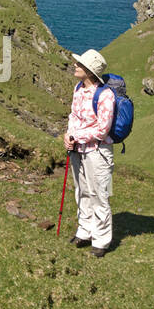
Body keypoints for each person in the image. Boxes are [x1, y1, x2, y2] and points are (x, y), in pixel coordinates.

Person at [64, 48, 114, 257]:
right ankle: (84, 231)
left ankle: (101, 240)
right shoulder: (78, 88)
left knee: (99, 194)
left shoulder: (105, 95)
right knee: (81, 190)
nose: (75, 66)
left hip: (98, 152)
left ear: (90, 71)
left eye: (80, 64)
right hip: (78, 149)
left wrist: (77, 137)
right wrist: (68, 135)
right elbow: (74, 115)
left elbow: (103, 129)